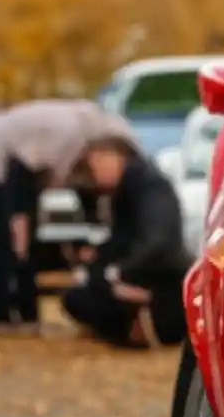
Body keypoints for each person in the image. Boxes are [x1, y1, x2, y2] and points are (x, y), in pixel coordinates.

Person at [0, 100, 137, 334]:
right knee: (7, 241)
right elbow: (20, 168)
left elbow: (74, 185)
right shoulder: (67, 133)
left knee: (28, 244)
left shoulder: (80, 134)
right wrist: (19, 217)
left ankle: (28, 314)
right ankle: (0, 315)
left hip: (17, 171)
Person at [61, 137, 192, 348]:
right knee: (79, 295)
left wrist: (121, 273)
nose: (95, 175)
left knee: (88, 296)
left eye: (96, 166)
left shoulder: (150, 189)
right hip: (145, 272)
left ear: (114, 159)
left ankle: (140, 324)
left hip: (161, 282)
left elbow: (159, 243)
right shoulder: (128, 192)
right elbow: (124, 239)